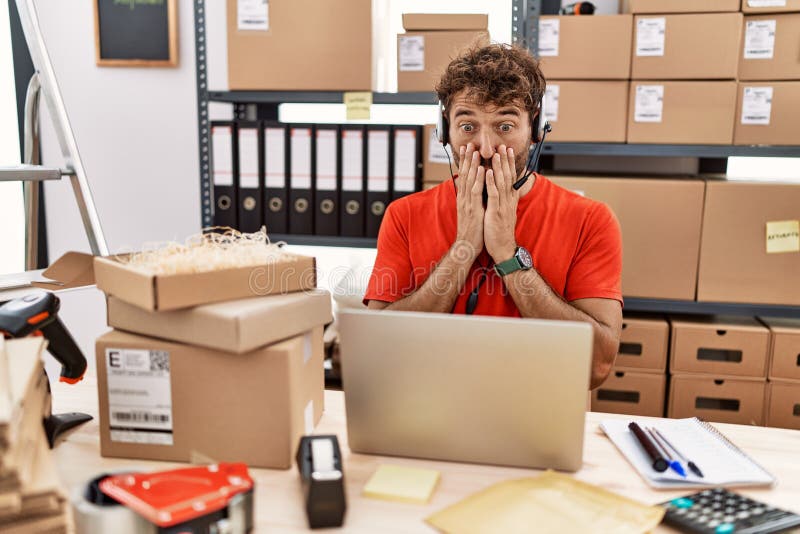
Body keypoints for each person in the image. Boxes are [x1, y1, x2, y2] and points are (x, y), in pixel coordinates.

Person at [363, 43, 622, 389]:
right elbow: (374, 350)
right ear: (445, 132)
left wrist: (507, 253)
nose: (485, 149)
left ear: (534, 129)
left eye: (504, 126)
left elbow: (597, 366)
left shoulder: (591, 220)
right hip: (427, 412)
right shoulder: (404, 216)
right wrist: (463, 249)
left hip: (536, 416)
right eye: (468, 127)